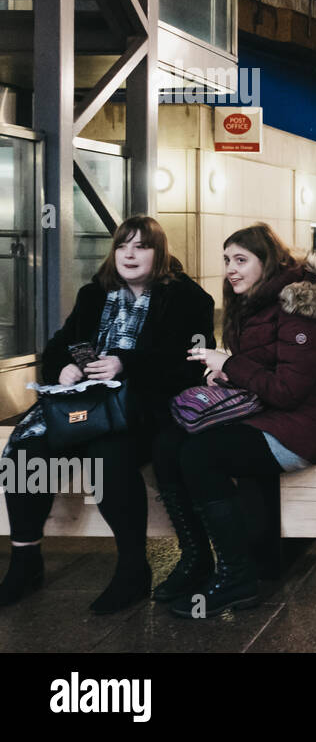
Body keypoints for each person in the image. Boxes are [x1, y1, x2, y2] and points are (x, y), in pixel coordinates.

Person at [0, 216, 214, 614]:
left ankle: (133, 570)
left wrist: (125, 364)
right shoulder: (94, 294)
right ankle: (26, 561)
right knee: (25, 452)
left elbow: (189, 365)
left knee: (108, 457)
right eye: (122, 246)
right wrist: (63, 367)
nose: (129, 255)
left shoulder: (188, 299)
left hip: (142, 409)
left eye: (141, 246)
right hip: (84, 404)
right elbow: (60, 346)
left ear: (160, 253)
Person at [161, 223, 316, 617]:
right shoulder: (259, 302)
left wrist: (230, 364)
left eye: (241, 260)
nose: (231, 269)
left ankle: (236, 577)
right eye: (227, 260)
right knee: (167, 445)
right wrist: (226, 373)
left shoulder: (301, 308)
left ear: (268, 263)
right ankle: (196, 559)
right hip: (271, 414)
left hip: (308, 425)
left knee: (201, 456)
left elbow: (289, 391)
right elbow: (264, 370)